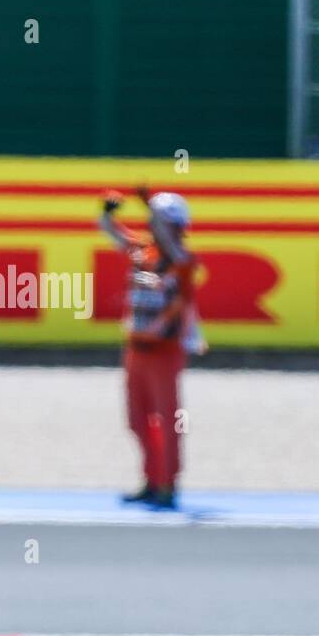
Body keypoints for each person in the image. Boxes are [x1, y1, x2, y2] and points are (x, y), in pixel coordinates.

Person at [99, 188, 202, 510]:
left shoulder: (182, 260)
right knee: (136, 419)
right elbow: (110, 231)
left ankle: (167, 484)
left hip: (165, 350)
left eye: (161, 220)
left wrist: (151, 206)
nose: (153, 224)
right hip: (136, 347)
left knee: (167, 418)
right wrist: (107, 213)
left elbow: (174, 252)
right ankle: (151, 478)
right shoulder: (141, 252)